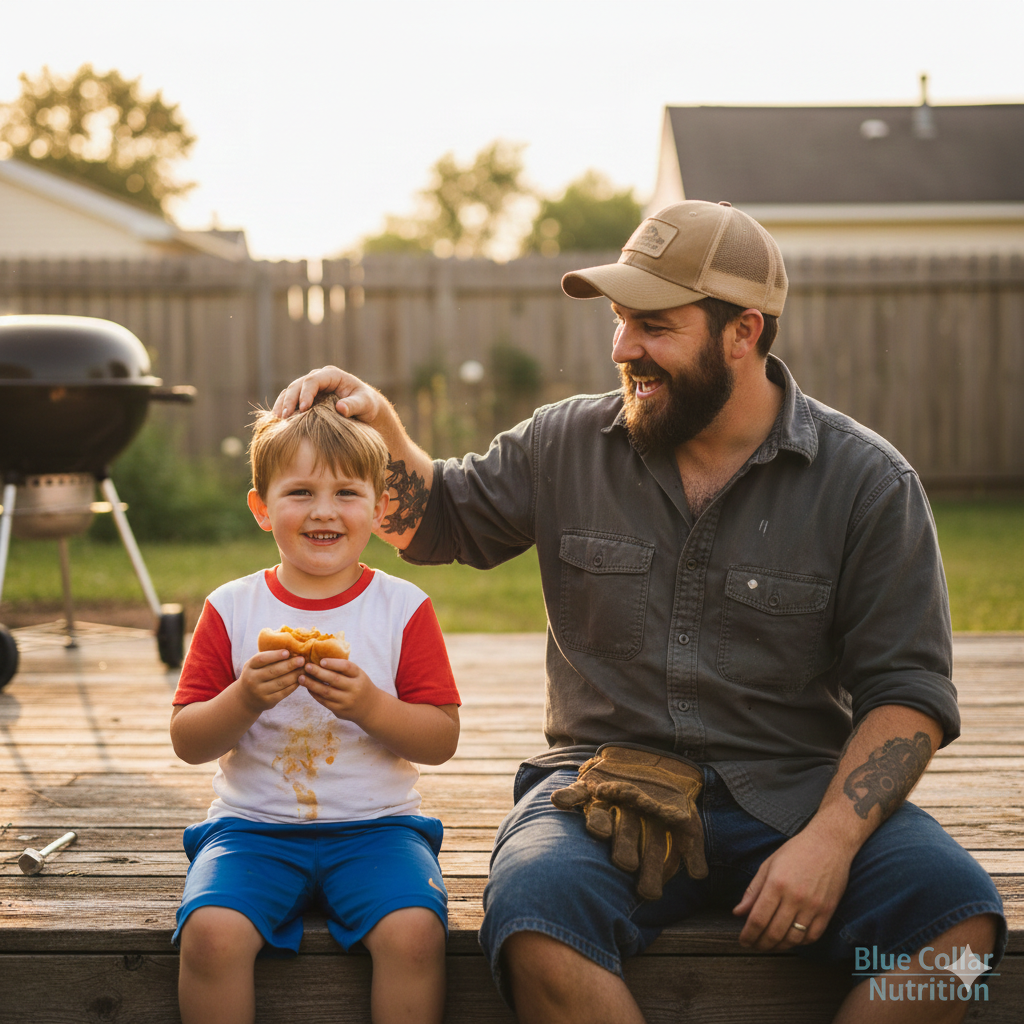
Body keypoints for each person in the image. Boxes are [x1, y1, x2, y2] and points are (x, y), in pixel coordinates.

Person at [273, 200, 1006, 1024]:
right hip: (598, 792)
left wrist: (832, 843)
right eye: (621, 322)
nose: (624, 349)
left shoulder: (868, 482)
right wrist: (385, 425)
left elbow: (908, 694)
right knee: (534, 915)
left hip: (800, 791)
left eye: (654, 326)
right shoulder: (565, 442)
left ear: (744, 332)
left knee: (957, 935)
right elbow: (436, 520)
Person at [169, 397, 461, 1024]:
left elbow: (440, 738)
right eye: (299, 491)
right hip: (252, 828)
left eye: (347, 493)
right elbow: (188, 739)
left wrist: (370, 706)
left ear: (381, 509)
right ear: (261, 508)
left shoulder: (403, 608)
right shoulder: (231, 608)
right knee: (211, 935)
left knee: (415, 935)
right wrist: (244, 697)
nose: (324, 510)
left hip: (378, 827)